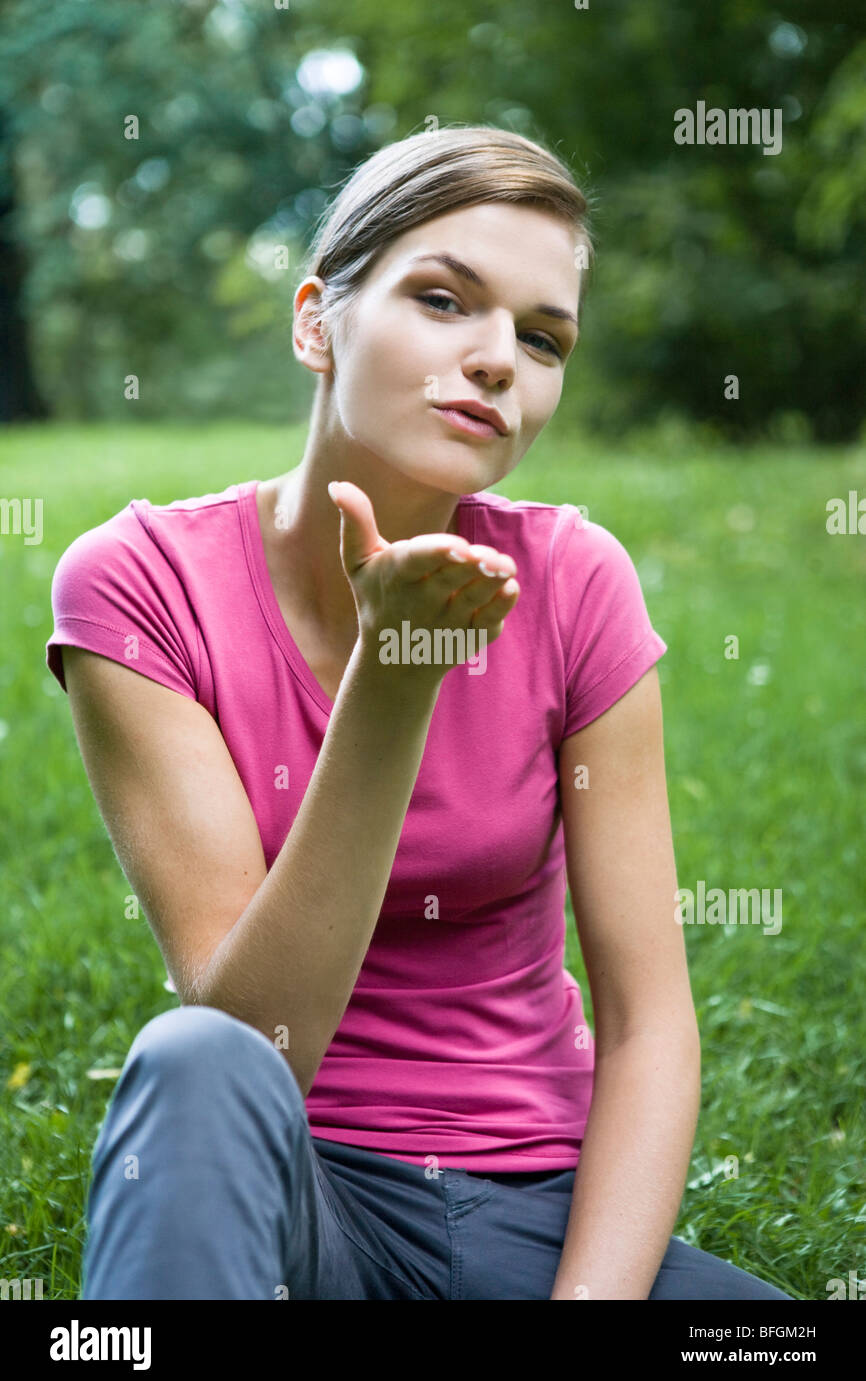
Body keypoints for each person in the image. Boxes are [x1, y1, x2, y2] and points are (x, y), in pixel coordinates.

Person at [45, 124, 794, 1300]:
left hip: (540, 1224)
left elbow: (648, 1026)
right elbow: (257, 1042)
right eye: (445, 299)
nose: (499, 359)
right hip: (294, 1201)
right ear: (314, 323)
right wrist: (392, 677)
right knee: (190, 1058)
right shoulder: (141, 580)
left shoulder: (576, 581)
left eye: (541, 337)